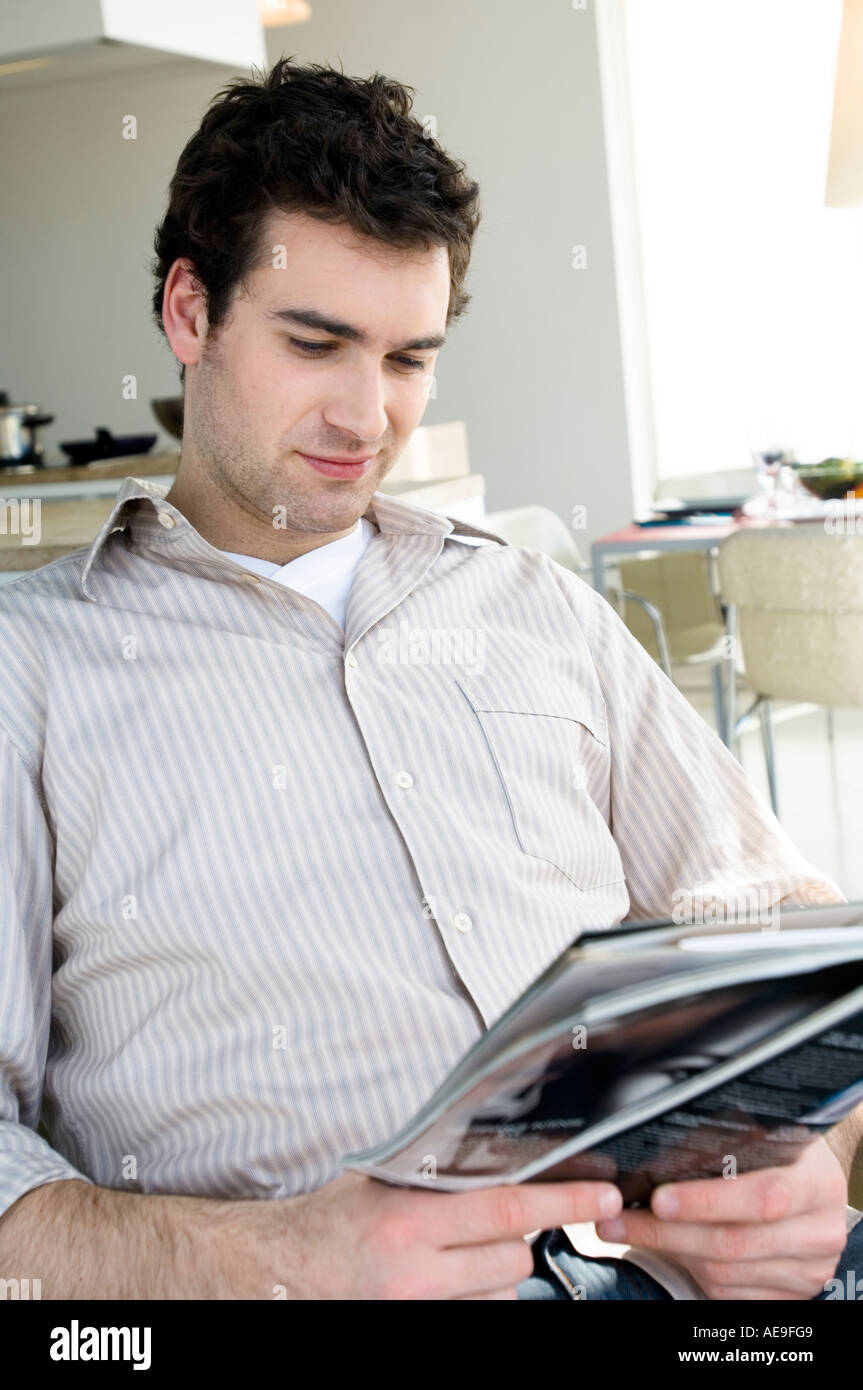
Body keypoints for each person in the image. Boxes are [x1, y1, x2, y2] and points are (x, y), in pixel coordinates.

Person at [0, 57, 860, 1302]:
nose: (367, 414)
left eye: (409, 358)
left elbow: (782, 941)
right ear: (191, 313)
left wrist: (800, 1170)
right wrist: (279, 1257)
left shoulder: (533, 605)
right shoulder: (33, 666)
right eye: (316, 342)